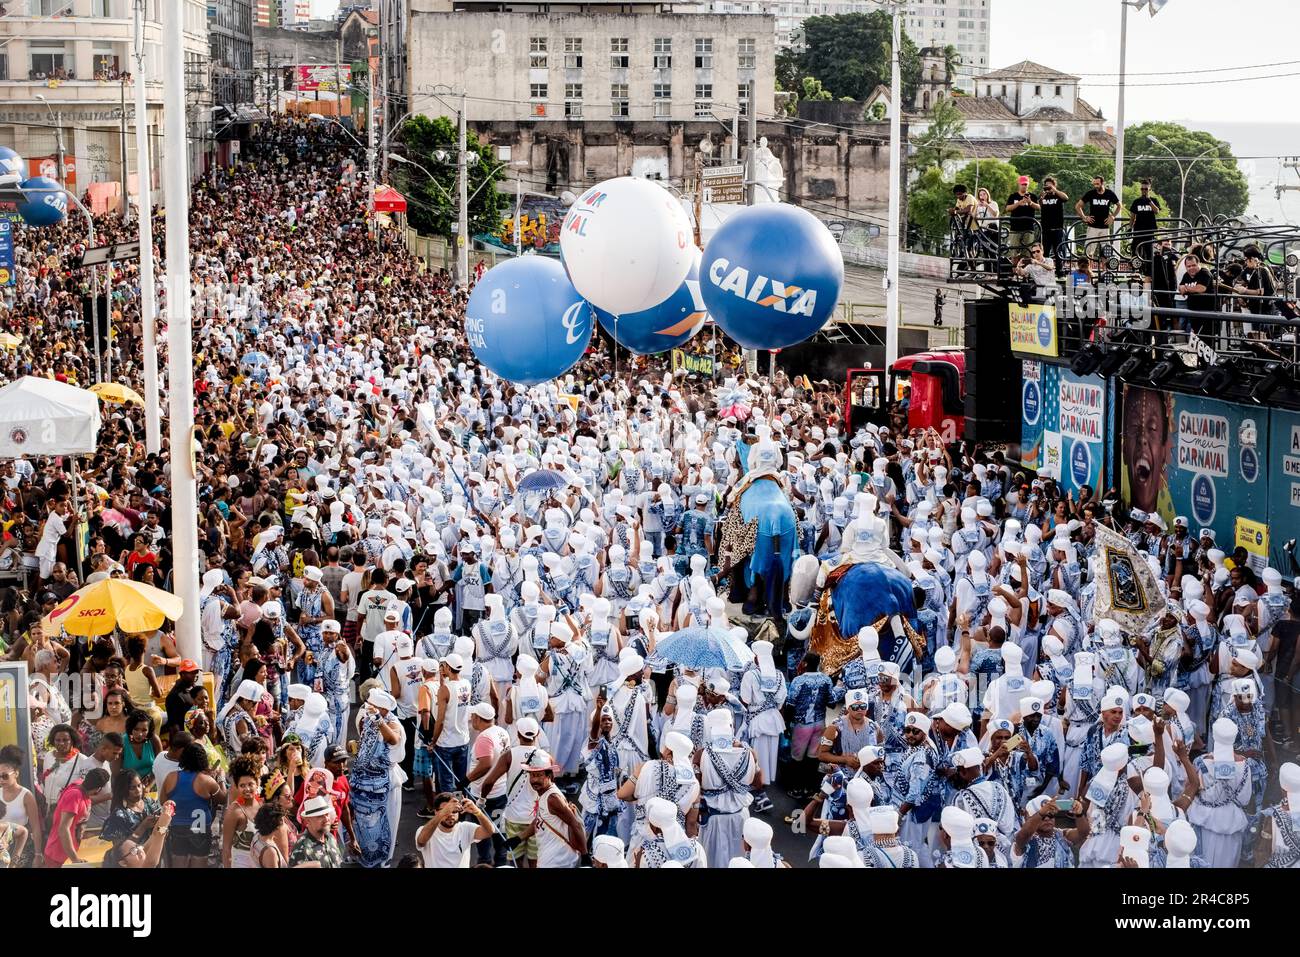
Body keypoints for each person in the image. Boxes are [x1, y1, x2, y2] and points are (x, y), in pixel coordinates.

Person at [160, 742, 227, 868]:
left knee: (178, 862)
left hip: (176, 827)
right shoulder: (206, 780)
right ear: (203, 760)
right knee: (199, 862)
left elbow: (163, 801)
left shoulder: (170, 777)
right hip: (200, 829)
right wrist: (221, 778)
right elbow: (223, 799)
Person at [43, 767, 110, 867]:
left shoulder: (81, 787)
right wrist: (75, 859)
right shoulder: (74, 795)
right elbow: (63, 828)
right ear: (98, 789)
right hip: (59, 855)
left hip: (71, 852)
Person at [415, 791, 496, 867]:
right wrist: (443, 813)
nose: (450, 815)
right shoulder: (424, 830)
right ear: (436, 812)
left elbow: (489, 831)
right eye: (447, 811)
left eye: (454, 811)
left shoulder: (465, 828)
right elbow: (421, 841)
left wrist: (477, 812)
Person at [1075, 175, 1120, 271]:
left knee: (1105, 252)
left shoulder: (1109, 193)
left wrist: (1113, 216)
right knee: (1089, 252)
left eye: (1097, 184)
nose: (1095, 186)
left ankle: (1105, 272)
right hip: (1093, 227)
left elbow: (1119, 206)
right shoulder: (1090, 193)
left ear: (1102, 183)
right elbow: (1078, 206)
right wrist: (1084, 217)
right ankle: (1089, 273)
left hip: (1105, 228)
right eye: (1094, 184)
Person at [288, 795, 345, 867]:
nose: (326, 819)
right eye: (320, 816)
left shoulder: (330, 838)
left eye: (327, 814)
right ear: (307, 821)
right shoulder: (302, 850)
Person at [1128, 179, 1161, 276]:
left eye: (1146, 189)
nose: (1143, 191)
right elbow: (1132, 216)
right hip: (1138, 230)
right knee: (1135, 250)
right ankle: (1134, 271)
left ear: (1149, 189)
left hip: (1150, 230)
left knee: (1149, 252)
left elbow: (1157, 211)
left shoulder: (1154, 200)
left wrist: (1149, 201)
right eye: (1142, 189)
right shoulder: (1136, 201)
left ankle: (1149, 273)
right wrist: (1130, 228)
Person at [1004, 175, 1040, 260]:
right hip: (1015, 228)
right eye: (1022, 184)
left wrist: (1030, 202)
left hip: (1028, 228)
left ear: (1028, 185)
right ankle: (1015, 272)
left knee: (1028, 253)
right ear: (1019, 184)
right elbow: (1007, 208)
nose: (1024, 186)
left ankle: (1025, 272)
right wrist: (1018, 203)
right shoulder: (1013, 196)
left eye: (1025, 184)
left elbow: (1039, 208)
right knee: (1014, 254)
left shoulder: (1033, 196)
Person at [1038, 176, 1068, 276]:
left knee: (1058, 252)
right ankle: (1045, 272)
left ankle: (1060, 273)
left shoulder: (1058, 195)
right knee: (1045, 252)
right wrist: (1042, 197)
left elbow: (1066, 198)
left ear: (1054, 185)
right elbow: (1039, 206)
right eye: (1046, 186)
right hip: (1046, 229)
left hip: (1058, 228)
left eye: (1049, 185)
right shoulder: (1043, 196)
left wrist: (1054, 190)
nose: (1048, 188)